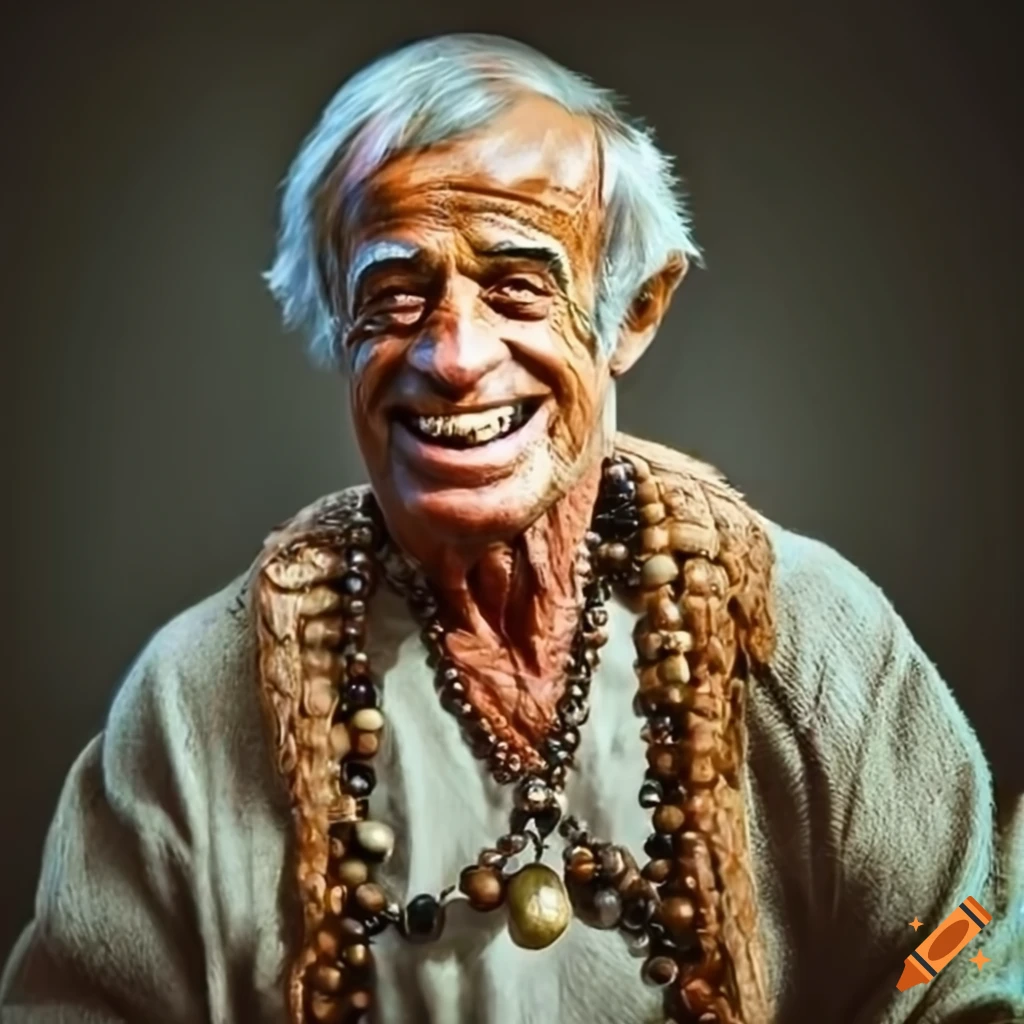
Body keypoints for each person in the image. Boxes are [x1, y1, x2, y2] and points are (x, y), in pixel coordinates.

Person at [1, 32, 1021, 1024]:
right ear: (333, 323)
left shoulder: (809, 637)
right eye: (394, 294)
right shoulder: (192, 703)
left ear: (629, 314)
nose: (452, 355)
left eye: (516, 287)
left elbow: (961, 963)